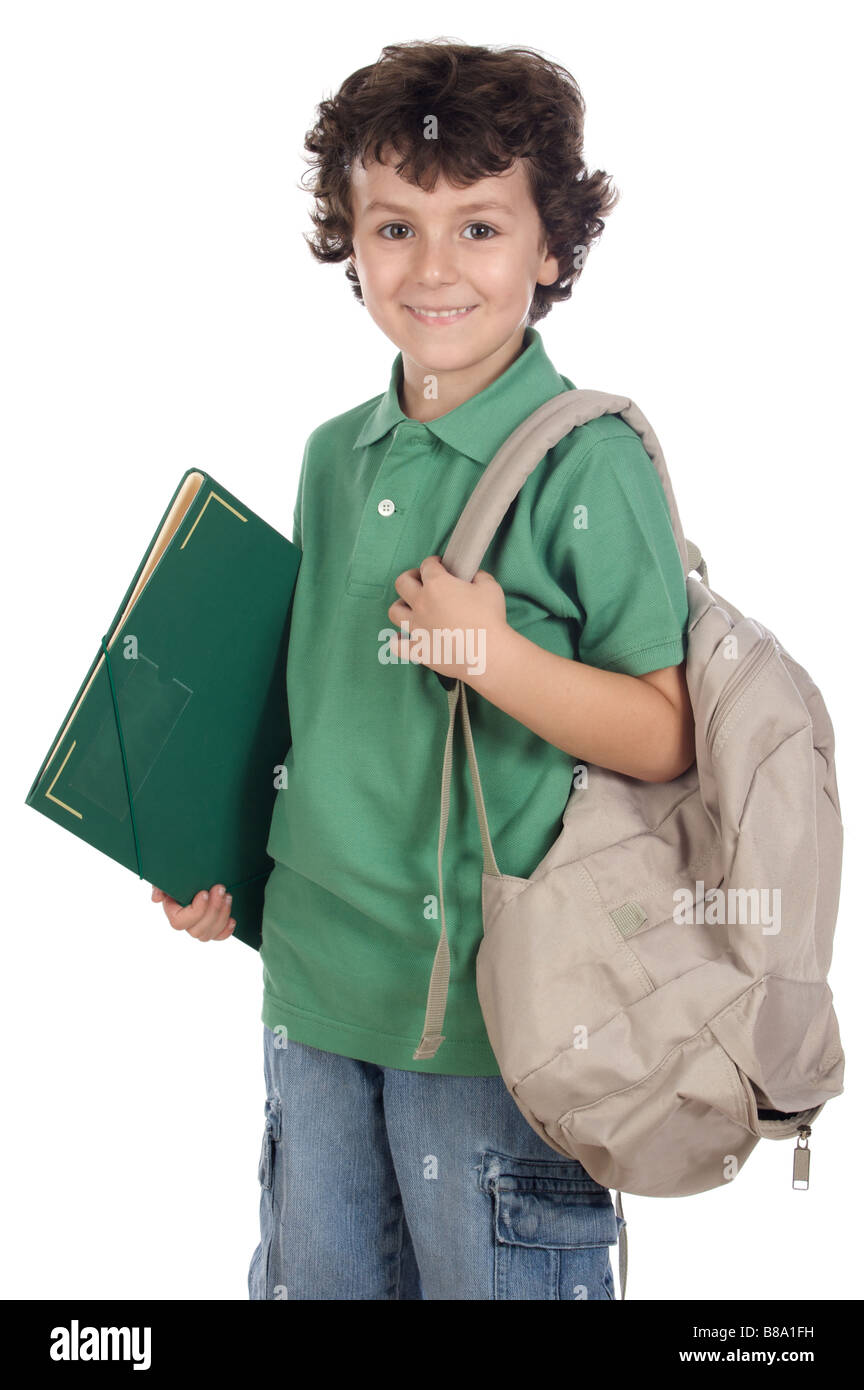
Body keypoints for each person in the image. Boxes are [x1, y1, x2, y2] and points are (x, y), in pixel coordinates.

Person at [152, 38, 695, 1300]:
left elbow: (664, 733)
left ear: (552, 250)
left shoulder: (586, 461)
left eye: (481, 227)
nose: (435, 267)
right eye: (395, 227)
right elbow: (313, 716)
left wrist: (495, 655)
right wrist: (224, 874)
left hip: (499, 1026)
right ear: (349, 244)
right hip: (316, 994)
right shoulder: (335, 453)